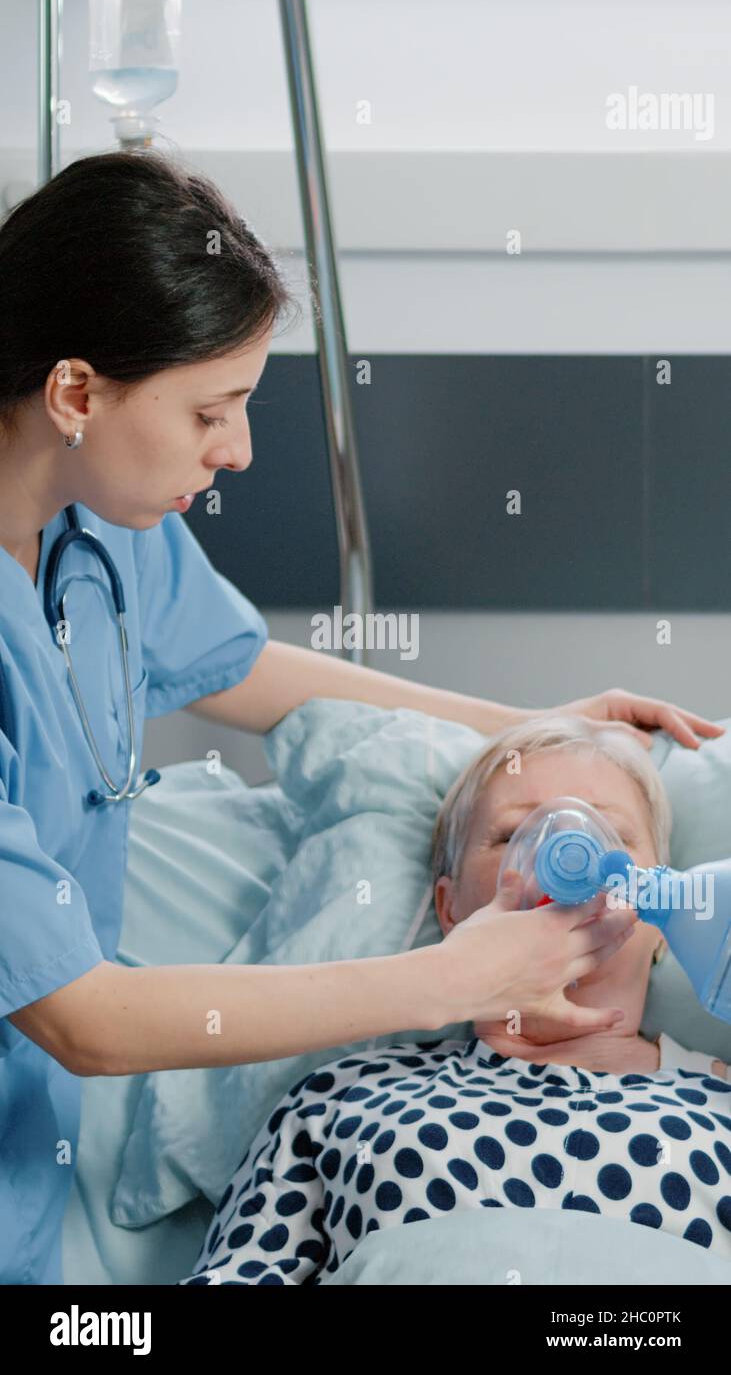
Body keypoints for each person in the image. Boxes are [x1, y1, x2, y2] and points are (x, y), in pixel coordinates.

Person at [0, 149, 722, 1287]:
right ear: (76, 395)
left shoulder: (107, 523)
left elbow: (243, 669)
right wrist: (453, 979)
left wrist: (524, 726)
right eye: (210, 410)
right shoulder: (342, 1111)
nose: (239, 450)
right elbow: (80, 1019)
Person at [177, 716, 730, 1286]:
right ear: (452, 910)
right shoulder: (338, 1103)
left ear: (667, 916)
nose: (570, 849)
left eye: (610, 832)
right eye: (512, 834)